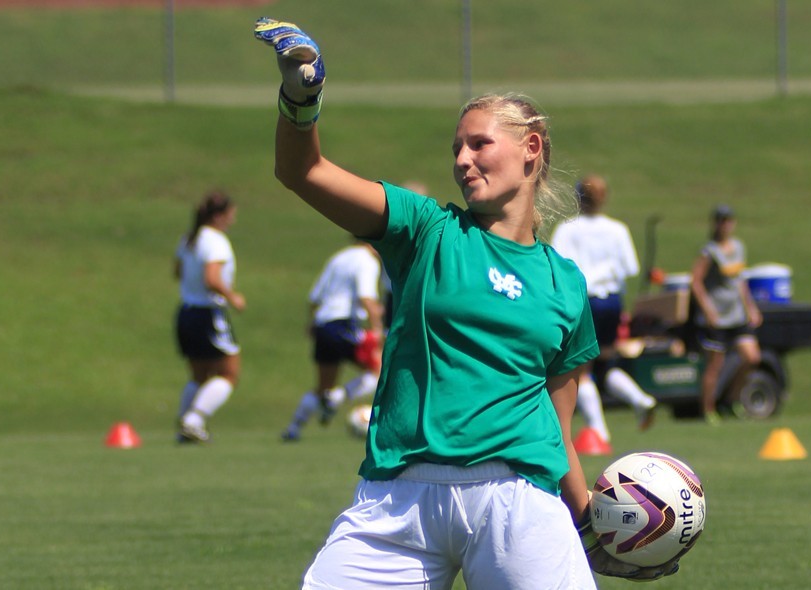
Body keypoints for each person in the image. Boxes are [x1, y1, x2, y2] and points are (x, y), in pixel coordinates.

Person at [255, 18, 681, 588]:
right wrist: (300, 99)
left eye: (479, 143)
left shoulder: (566, 283)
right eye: (457, 147)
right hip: (398, 501)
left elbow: (557, 428)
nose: (462, 159)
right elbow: (301, 171)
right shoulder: (426, 229)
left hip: (519, 505)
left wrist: (591, 529)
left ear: (531, 149)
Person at [551, 175, 658, 442]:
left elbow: (557, 263)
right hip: (611, 301)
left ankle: (598, 430)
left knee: (581, 367)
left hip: (584, 300)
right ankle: (640, 399)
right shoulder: (617, 229)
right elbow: (630, 267)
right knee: (606, 361)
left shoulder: (568, 229)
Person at [281, 238, 384, 442]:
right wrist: (377, 331)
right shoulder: (367, 261)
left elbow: (314, 297)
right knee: (380, 370)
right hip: (343, 323)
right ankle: (337, 397)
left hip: (323, 325)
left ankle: (293, 429)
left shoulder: (338, 258)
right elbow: (367, 298)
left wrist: (310, 323)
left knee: (323, 386)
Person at [173, 190, 245, 443]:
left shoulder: (189, 238)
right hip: (207, 313)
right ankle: (193, 420)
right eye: (230, 215)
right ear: (218, 216)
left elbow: (177, 272)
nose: (232, 220)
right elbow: (211, 278)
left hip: (186, 311)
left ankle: (183, 425)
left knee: (199, 375)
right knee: (229, 373)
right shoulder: (215, 240)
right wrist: (232, 296)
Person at [690, 204, 762, 424]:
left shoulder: (739, 247)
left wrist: (751, 307)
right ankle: (708, 409)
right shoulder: (709, 251)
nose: (725, 225)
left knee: (752, 357)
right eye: (721, 220)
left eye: (728, 220)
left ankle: (732, 399)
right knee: (714, 365)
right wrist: (708, 310)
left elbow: (740, 281)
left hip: (737, 315)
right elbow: (695, 281)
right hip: (718, 319)